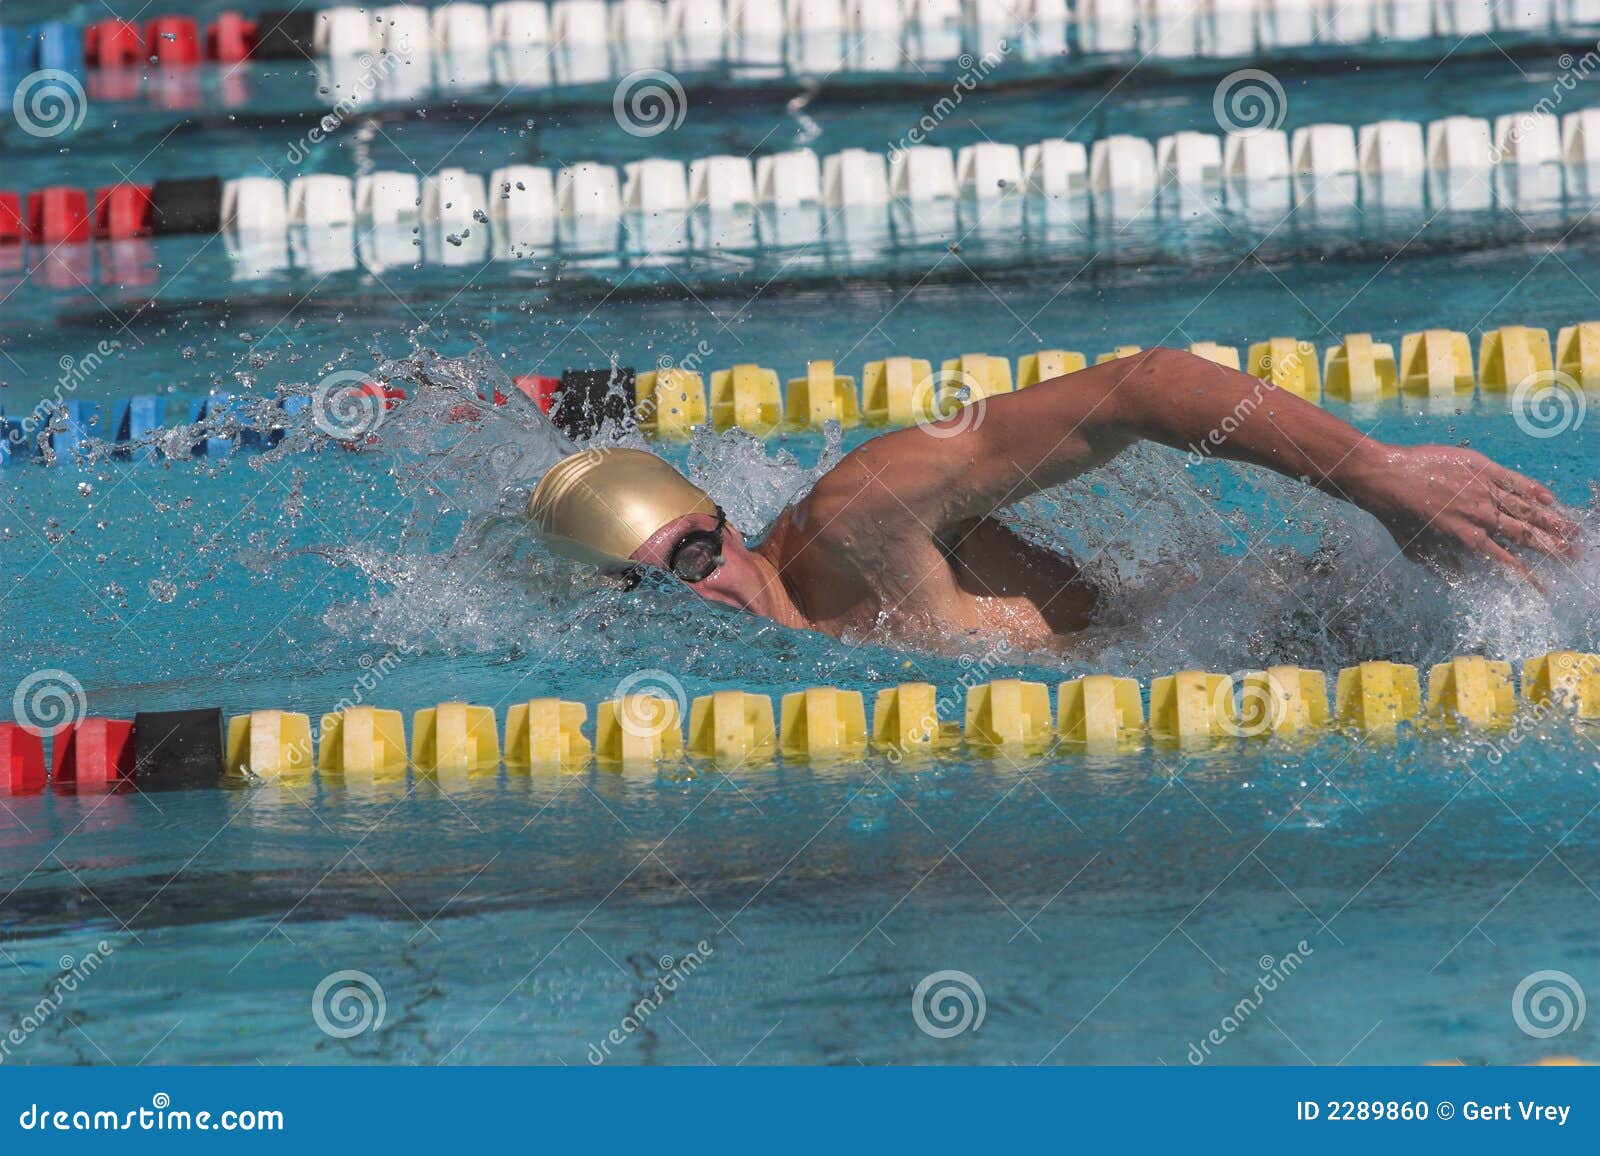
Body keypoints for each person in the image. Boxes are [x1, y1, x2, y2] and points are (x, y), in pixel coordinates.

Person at [529, 348, 1581, 649]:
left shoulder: (856, 519)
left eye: (689, 558)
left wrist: (1376, 475)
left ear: (720, 519)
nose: (692, 596)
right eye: (644, 588)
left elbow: (1143, 387)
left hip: (1305, 631)